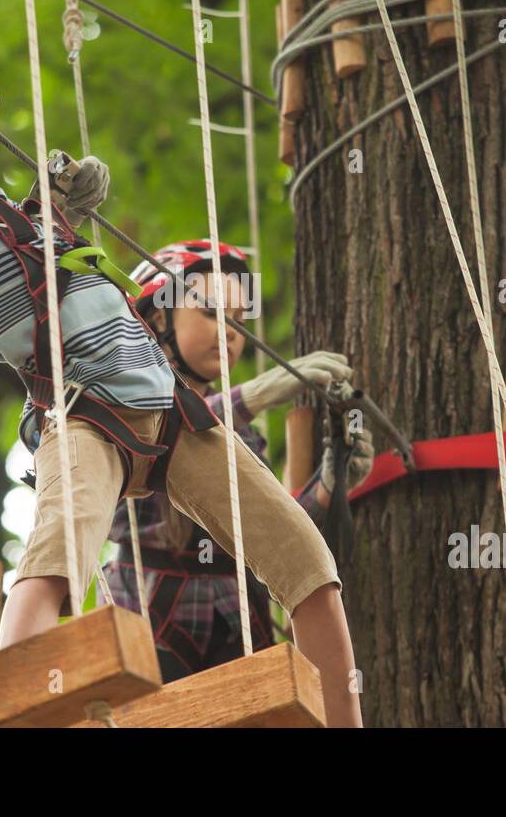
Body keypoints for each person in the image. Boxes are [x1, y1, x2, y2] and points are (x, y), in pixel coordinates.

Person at [0, 50, 364, 726]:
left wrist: (58, 208)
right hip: (85, 415)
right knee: (55, 563)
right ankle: (15, 712)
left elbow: (68, 283)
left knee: (308, 560)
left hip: (171, 410)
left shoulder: (12, 218)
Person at [103, 240, 375, 684]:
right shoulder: (127, 401)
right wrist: (261, 390)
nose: (231, 332)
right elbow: (173, 424)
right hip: (149, 611)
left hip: (239, 619)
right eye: (211, 313)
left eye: (239, 322)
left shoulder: (243, 435)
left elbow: (274, 539)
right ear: (157, 317)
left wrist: (331, 480)